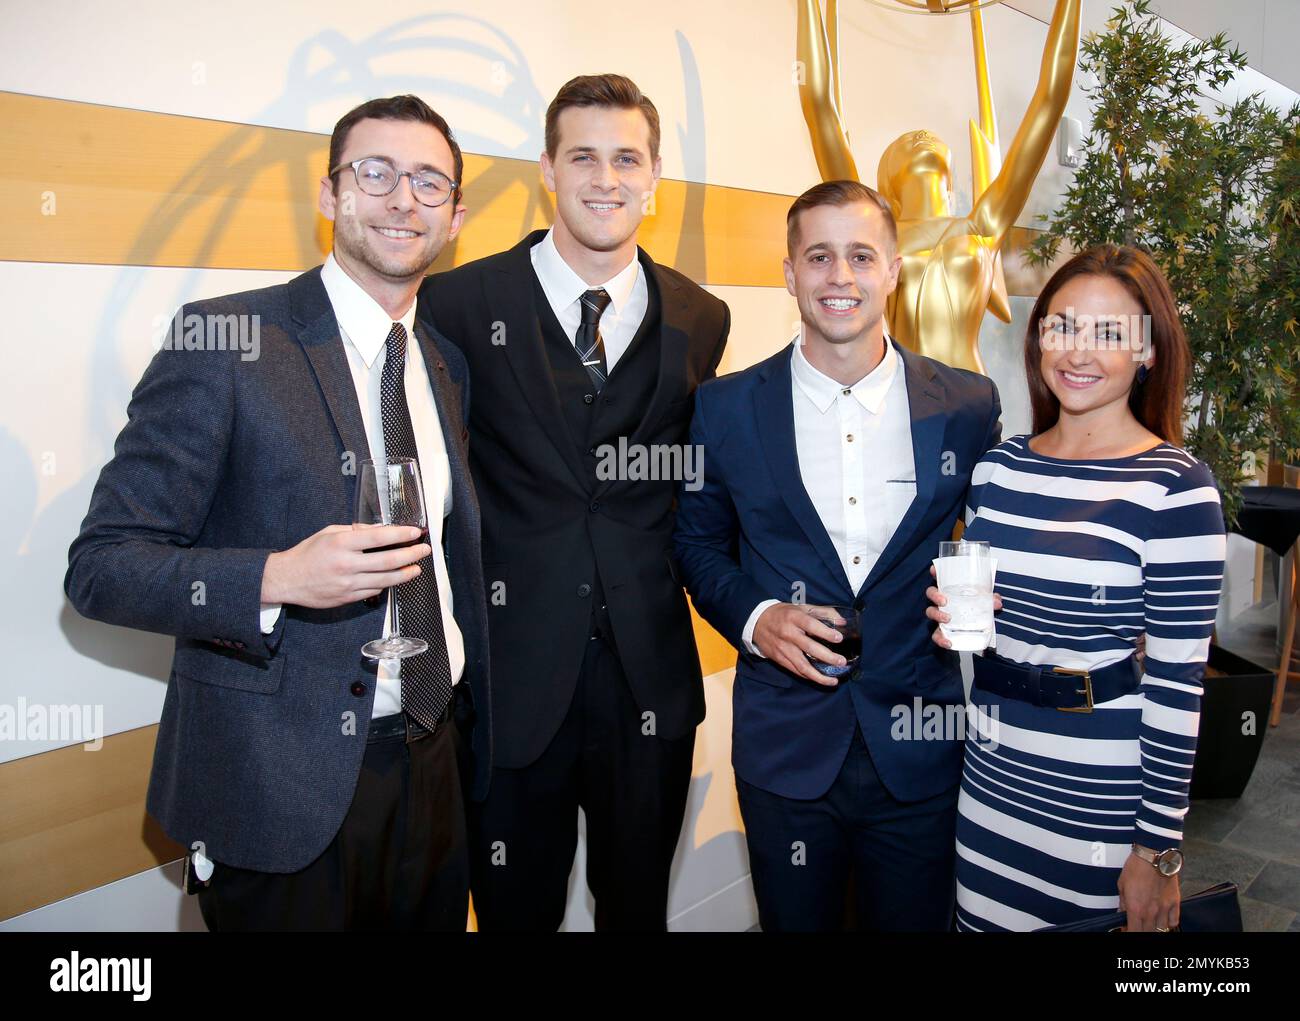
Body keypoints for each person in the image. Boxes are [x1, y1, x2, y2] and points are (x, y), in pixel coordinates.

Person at [65, 95, 490, 930]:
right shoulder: (226, 339)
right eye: (376, 172)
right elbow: (103, 565)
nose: (404, 199)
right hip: (278, 784)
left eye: (429, 182)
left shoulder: (443, 363)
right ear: (330, 194)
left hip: (433, 759)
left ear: (455, 216)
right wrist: (277, 577)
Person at [418, 74, 730, 931]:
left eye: (626, 158)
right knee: (513, 913)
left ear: (654, 174)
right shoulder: (458, 302)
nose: (605, 178)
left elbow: (695, 484)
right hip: (509, 681)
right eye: (583, 157)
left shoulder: (701, 317)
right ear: (547, 170)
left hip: (649, 680)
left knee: (637, 910)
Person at [674, 179, 1001, 931]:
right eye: (818, 256)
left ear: (893, 271)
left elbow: (989, 537)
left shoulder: (966, 405)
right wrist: (757, 618)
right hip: (785, 749)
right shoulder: (726, 407)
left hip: (919, 742)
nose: (840, 276)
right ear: (789, 273)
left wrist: (989, 597)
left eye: (861, 255)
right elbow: (695, 543)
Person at [927, 244, 1226, 932]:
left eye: (1109, 332)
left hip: (1101, 789)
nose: (1078, 351)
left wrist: (1157, 850)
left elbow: (1179, 683)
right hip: (994, 775)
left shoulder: (1176, 488)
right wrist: (954, 619)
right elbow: (994, 620)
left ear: (1147, 351)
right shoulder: (997, 470)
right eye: (1062, 325)